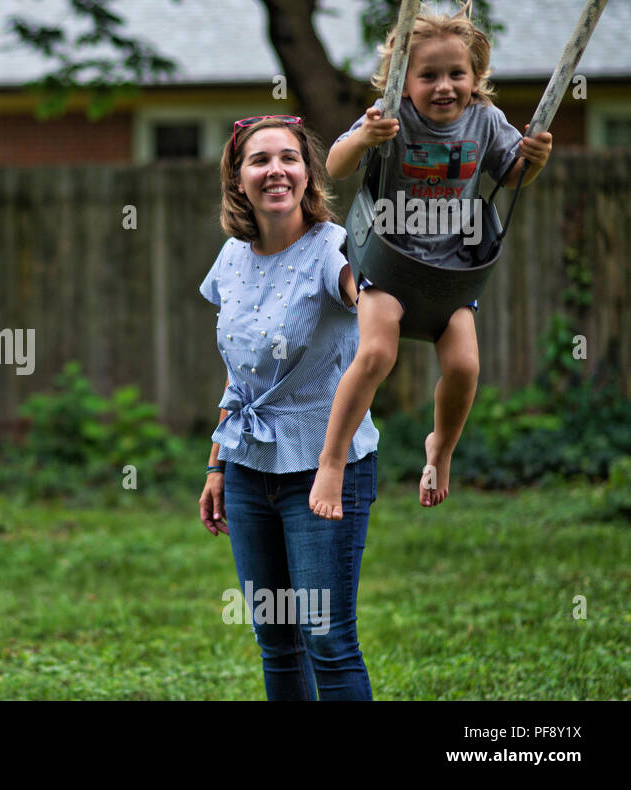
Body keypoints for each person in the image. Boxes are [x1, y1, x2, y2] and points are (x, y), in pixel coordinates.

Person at [309, 3, 553, 519]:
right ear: (403, 82)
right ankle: (330, 461)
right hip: (389, 263)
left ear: (476, 76)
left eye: (457, 74)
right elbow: (334, 165)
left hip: (451, 270)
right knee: (376, 354)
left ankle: (439, 451)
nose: (445, 86)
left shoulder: (486, 121)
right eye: (429, 76)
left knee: (465, 367)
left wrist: (533, 161)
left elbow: (511, 178)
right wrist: (363, 138)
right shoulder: (390, 118)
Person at [198, 115, 379, 700]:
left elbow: (372, 305)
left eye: (289, 158)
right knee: (275, 637)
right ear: (239, 178)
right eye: (259, 160)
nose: (275, 170)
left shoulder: (335, 250)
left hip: (327, 467)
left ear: (308, 173)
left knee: (328, 639)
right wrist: (217, 464)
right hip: (250, 467)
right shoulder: (230, 258)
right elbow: (239, 375)